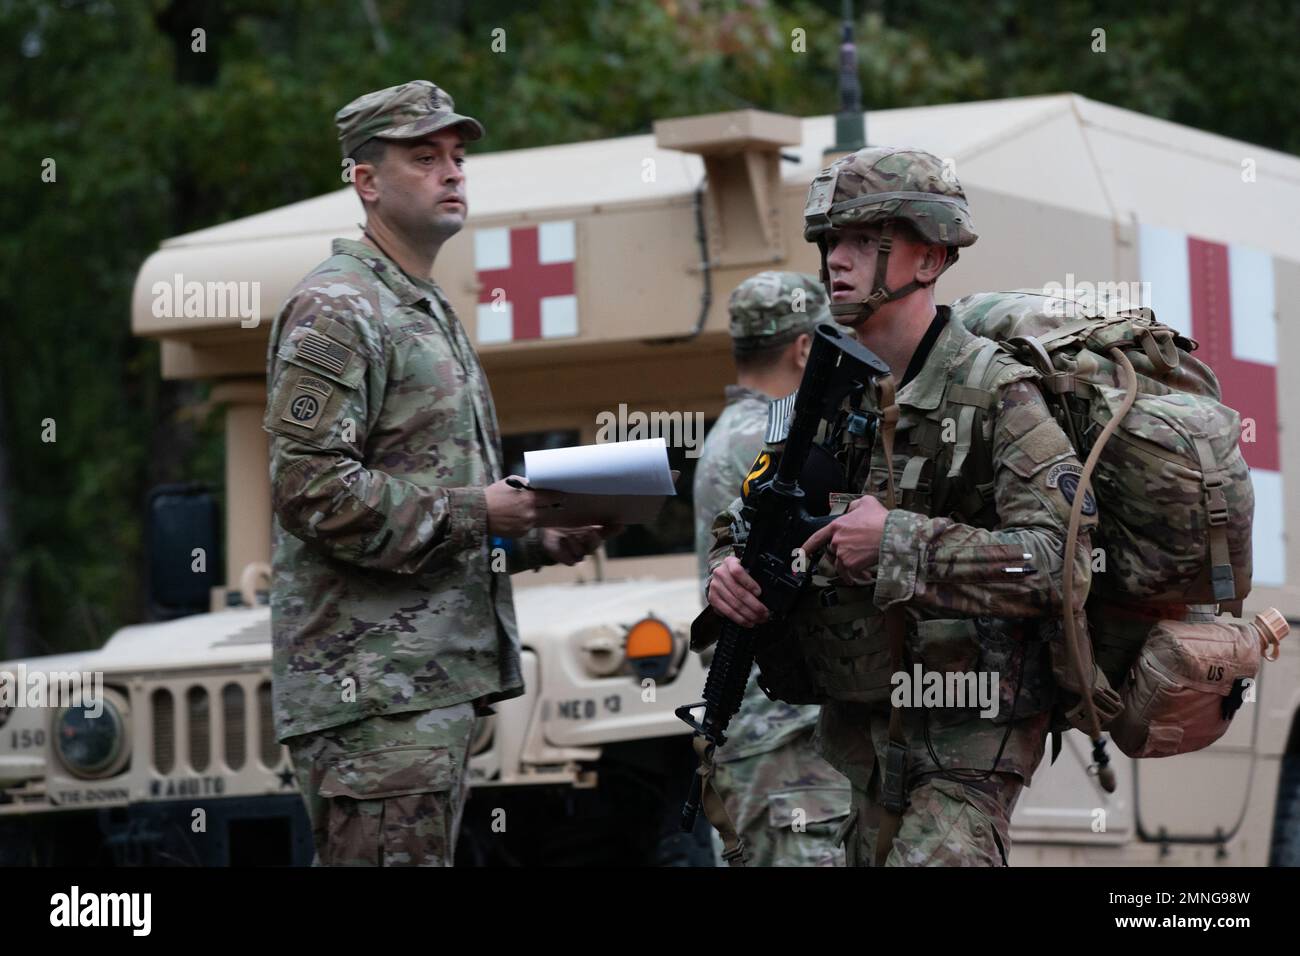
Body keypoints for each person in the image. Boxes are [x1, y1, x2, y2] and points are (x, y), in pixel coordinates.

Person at [703, 146, 1098, 866]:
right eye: (829, 242)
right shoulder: (827, 396)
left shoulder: (996, 393)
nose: (836, 261)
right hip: (862, 738)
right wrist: (729, 568)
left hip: (970, 732)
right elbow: (750, 517)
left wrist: (900, 545)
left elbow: (1062, 562)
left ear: (929, 257)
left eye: (862, 240)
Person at [264, 80, 611, 866]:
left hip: (419, 691)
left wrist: (530, 534)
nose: (453, 172)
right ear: (366, 180)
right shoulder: (339, 308)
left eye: (457, 156)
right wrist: (482, 514)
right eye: (424, 157)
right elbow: (309, 489)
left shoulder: (417, 306)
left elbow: (429, 497)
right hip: (372, 695)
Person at [692, 271, 849, 866]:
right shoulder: (773, 439)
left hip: (756, 730)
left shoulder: (727, 434)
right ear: (805, 348)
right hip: (785, 733)